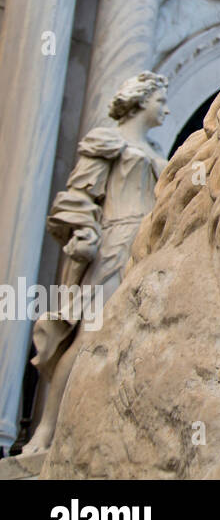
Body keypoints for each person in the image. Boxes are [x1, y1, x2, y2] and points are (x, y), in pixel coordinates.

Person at [25, 72, 169, 453]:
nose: (166, 109)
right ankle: (47, 430)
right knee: (90, 335)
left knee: (138, 340)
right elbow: (78, 199)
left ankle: (104, 433)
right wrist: (85, 235)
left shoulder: (157, 153)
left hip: (150, 249)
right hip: (116, 244)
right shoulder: (109, 142)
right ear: (141, 100)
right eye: (160, 100)